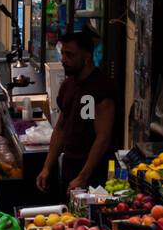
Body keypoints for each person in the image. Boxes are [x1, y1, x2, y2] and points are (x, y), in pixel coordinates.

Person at [36, 28, 118, 196]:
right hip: (69, 166)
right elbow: (60, 129)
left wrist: (83, 176)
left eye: (70, 55)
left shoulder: (102, 88)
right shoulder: (67, 86)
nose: (64, 60)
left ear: (87, 56)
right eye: (63, 54)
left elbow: (103, 138)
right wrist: (47, 167)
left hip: (95, 174)